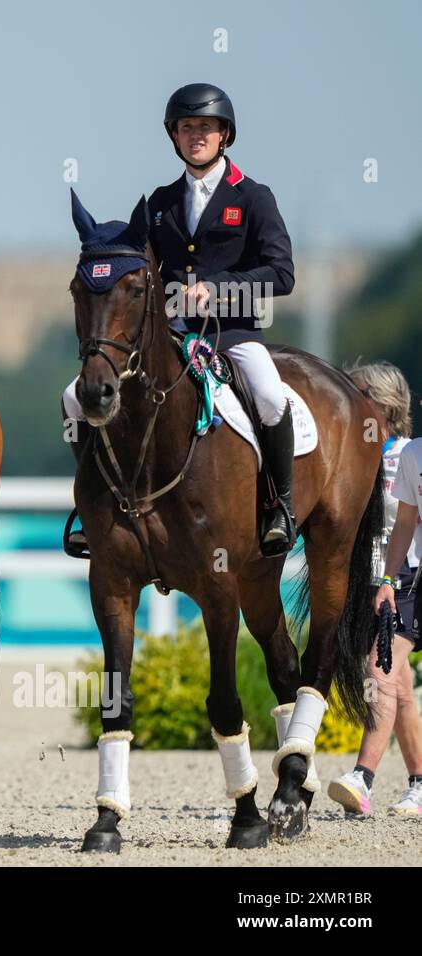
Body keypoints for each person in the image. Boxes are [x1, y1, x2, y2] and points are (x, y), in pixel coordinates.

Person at [151, 83, 297, 554]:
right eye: (186, 127)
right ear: (174, 135)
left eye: (206, 127)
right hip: (172, 335)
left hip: (233, 333)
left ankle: (279, 505)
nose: (196, 135)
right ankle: (96, 507)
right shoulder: (160, 203)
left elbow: (282, 273)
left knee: (271, 399)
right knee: (99, 395)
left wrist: (217, 288)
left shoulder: (253, 197)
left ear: (224, 135)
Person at [328, 360, 422, 816]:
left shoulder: (404, 454)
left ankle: (362, 777)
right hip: (372, 579)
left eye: (359, 392)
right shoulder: (351, 450)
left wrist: (390, 575)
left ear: (382, 404)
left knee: (379, 671)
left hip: (406, 576)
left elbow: (403, 523)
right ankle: (419, 785)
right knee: (399, 686)